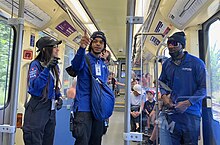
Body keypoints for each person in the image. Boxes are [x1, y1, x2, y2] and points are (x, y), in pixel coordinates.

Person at [158, 31, 206, 145]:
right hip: (172, 113)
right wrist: (164, 96)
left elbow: (204, 88)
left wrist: (187, 103)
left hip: (191, 114)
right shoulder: (167, 64)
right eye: (169, 43)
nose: (170, 46)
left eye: (174, 43)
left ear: (182, 46)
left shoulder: (196, 64)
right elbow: (162, 82)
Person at [70, 31, 109, 145]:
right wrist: (82, 47)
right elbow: (76, 66)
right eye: (95, 41)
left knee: (96, 141)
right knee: (82, 141)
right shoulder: (84, 58)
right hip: (84, 108)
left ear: (104, 46)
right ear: (91, 43)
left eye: (101, 42)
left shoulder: (102, 65)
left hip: (98, 109)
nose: (98, 44)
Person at [22, 36, 63, 145]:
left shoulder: (55, 67)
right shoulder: (35, 65)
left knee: (48, 141)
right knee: (34, 139)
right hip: (37, 107)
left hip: (50, 109)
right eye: (54, 47)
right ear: (45, 49)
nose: (57, 49)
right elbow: (35, 87)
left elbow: (54, 85)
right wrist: (46, 69)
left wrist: (59, 97)